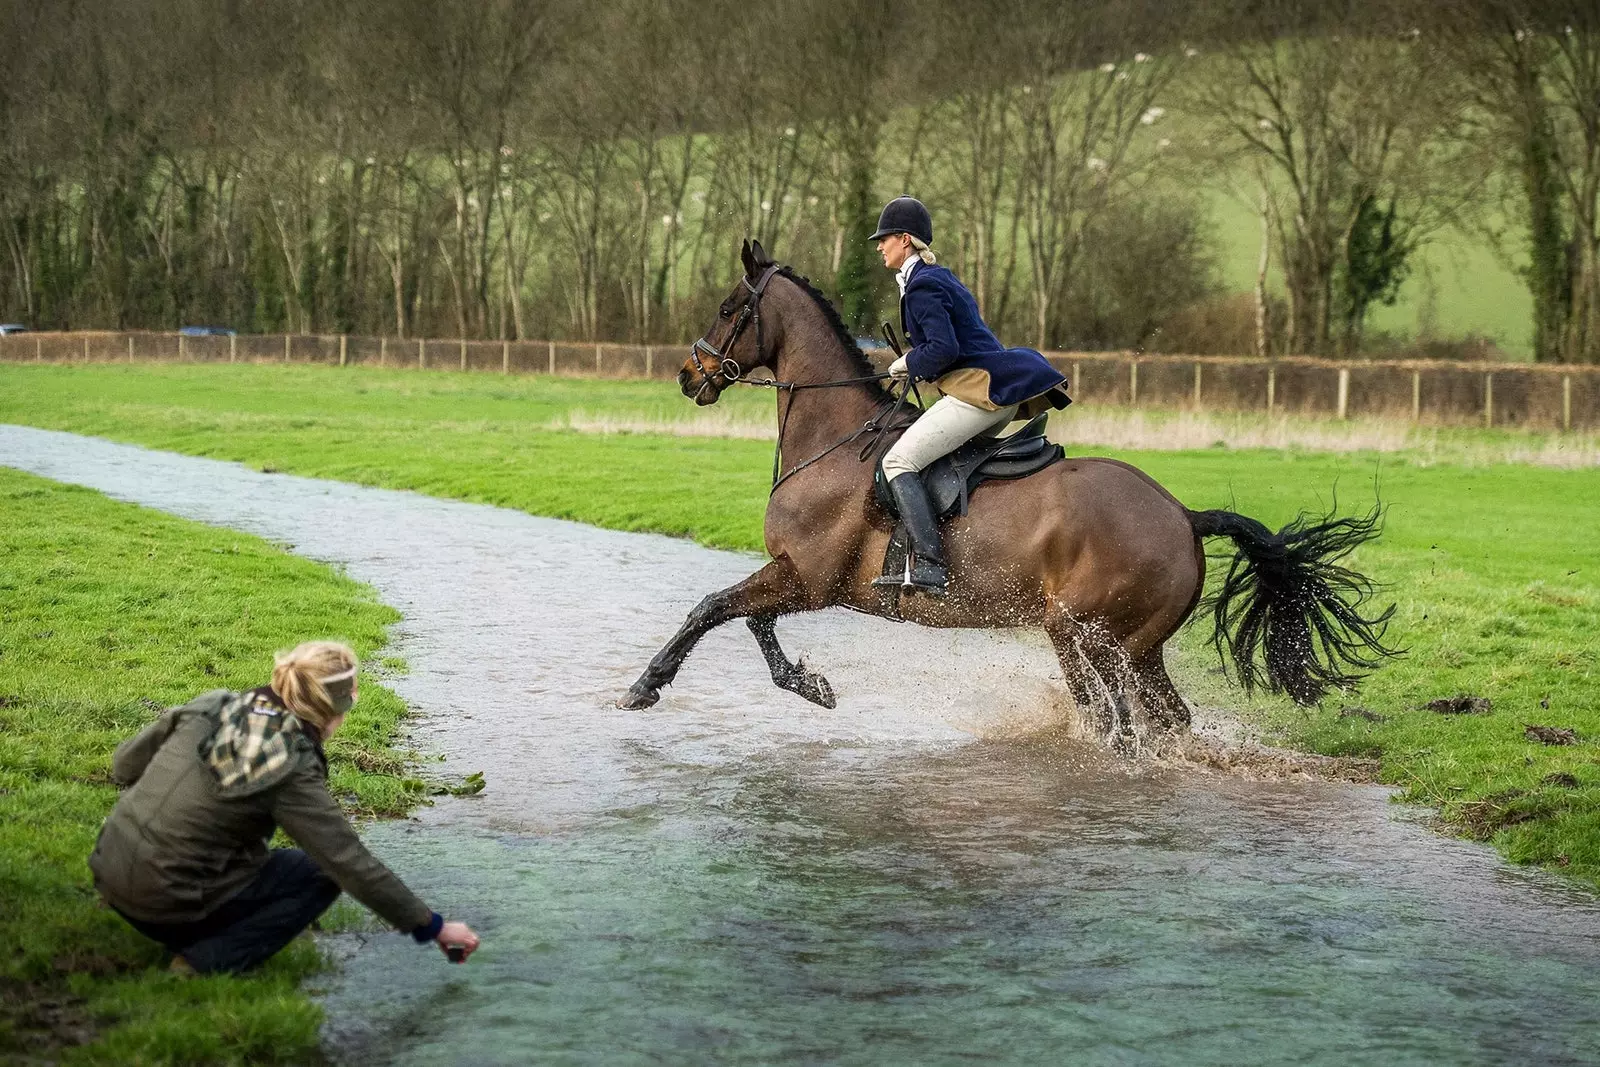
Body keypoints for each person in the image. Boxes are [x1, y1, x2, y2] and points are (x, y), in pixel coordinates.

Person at [88, 640, 480, 976]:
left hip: (107, 869)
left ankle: (152, 897)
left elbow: (125, 765)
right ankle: (202, 962)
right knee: (320, 874)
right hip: (163, 905)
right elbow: (349, 862)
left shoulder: (214, 704)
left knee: (259, 855)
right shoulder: (290, 764)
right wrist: (435, 927)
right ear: (337, 709)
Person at [872, 195, 1072, 596]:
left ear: (905, 239)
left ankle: (930, 564)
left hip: (977, 395)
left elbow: (943, 349)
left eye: (885, 239)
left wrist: (909, 364)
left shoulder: (923, 285)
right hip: (991, 391)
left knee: (898, 460)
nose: (880, 246)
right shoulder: (936, 277)